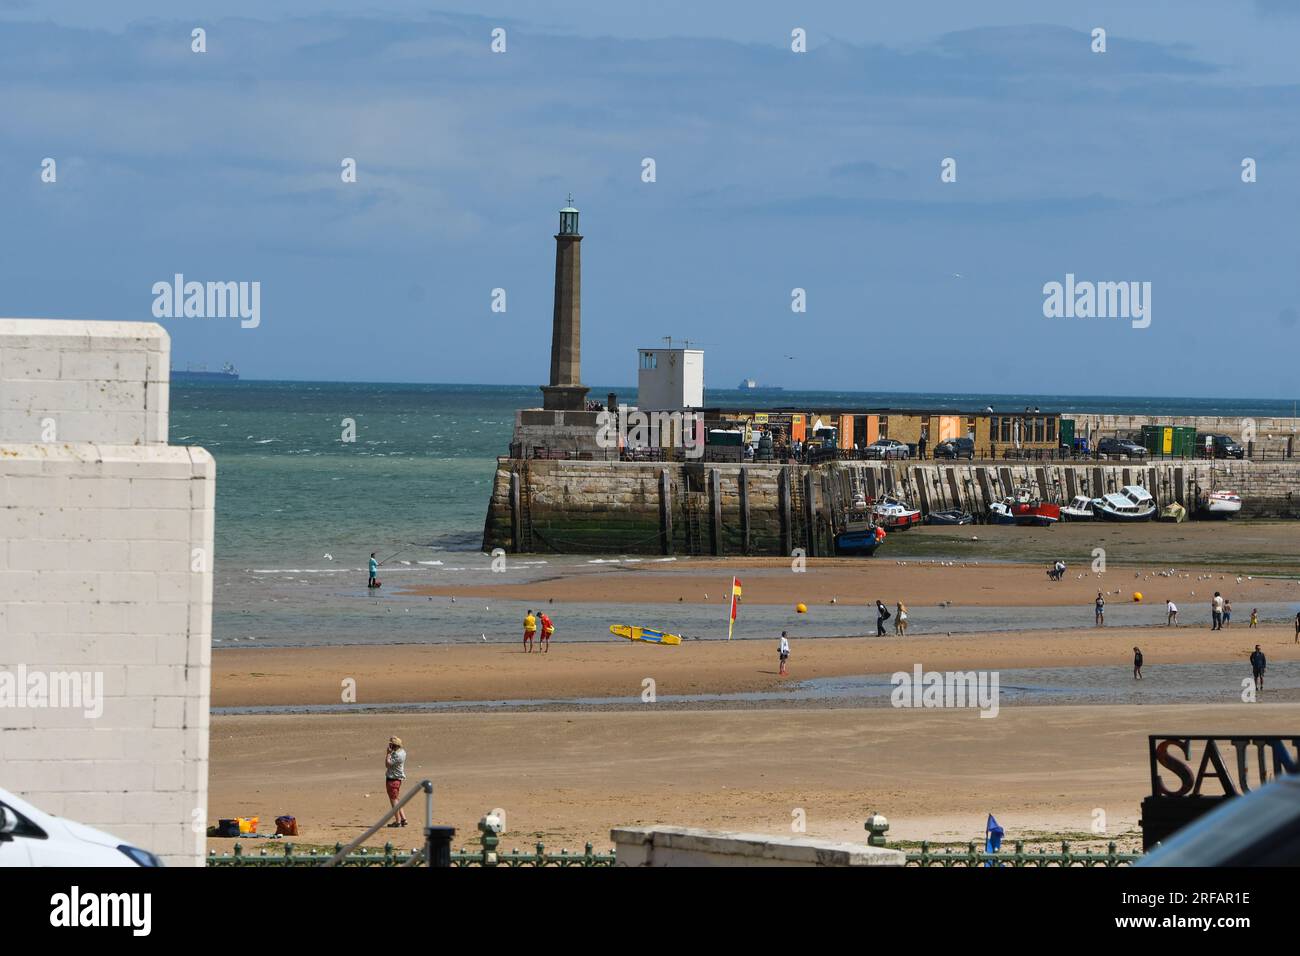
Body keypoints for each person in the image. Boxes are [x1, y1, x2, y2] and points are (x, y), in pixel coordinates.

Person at [385, 736, 408, 827]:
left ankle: (398, 821)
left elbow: (387, 764)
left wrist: (388, 754)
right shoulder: (402, 752)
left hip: (392, 780)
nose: (390, 746)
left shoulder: (396, 755)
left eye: (392, 745)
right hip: (397, 779)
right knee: (396, 799)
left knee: (393, 801)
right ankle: (403, 818)